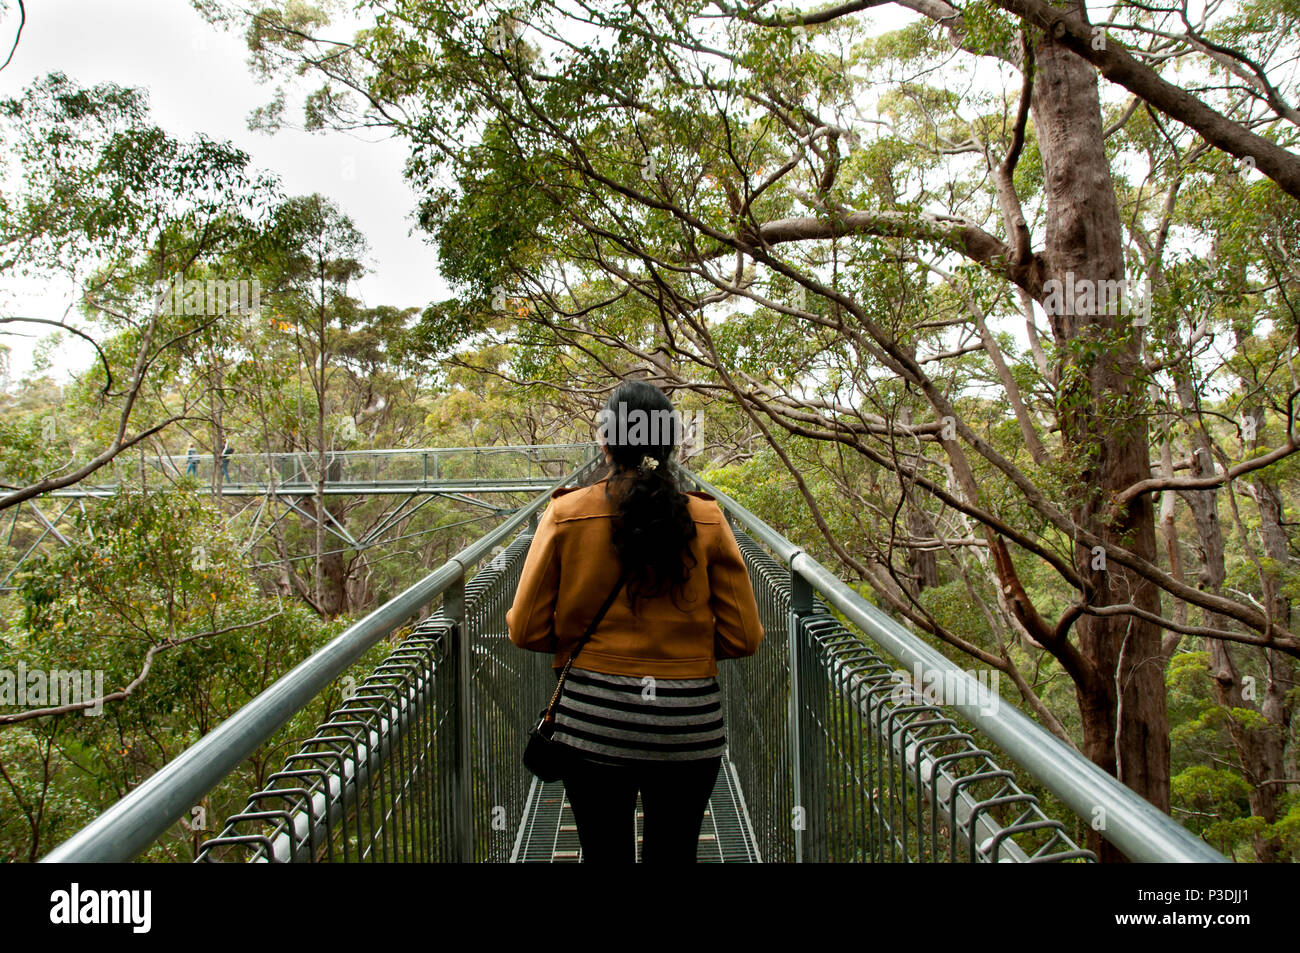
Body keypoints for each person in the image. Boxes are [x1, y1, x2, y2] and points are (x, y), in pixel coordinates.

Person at [506, 380, 764, 863]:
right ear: (669, 445)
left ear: (605, 440)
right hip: (688, 726)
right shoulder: (707, 519)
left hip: (593, 725)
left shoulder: (565, 513)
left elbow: (525, 631)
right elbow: (744, 637)